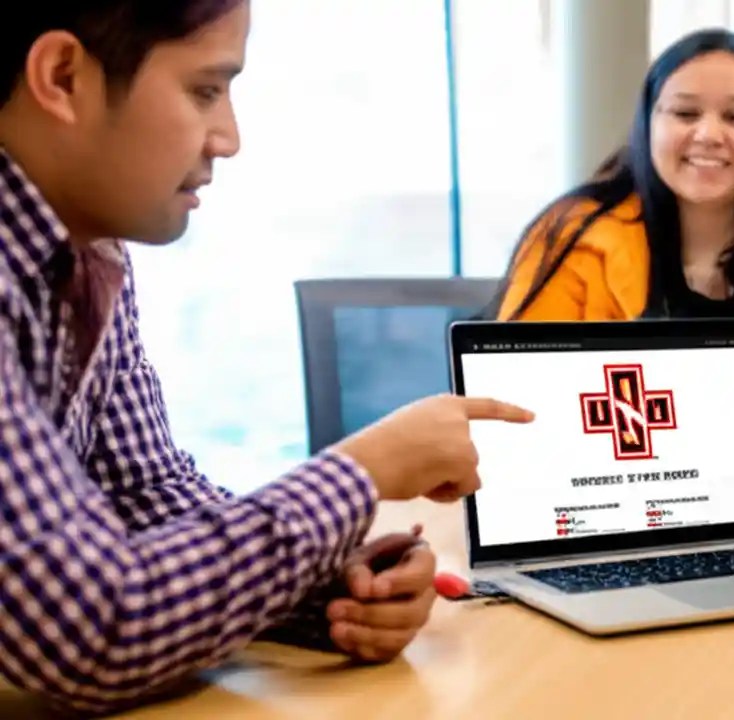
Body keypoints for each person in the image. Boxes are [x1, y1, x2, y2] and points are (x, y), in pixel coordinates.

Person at [0, 3, 532, 714]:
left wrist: (329, 586)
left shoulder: (89, 251)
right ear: (63, 77)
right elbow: (94, 625)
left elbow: (147, 497)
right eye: (204, 90)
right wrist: (362, 470)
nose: (229, 138)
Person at [487, 29, 734, 469]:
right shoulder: (574, 233)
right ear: (649, 123)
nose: (708, 134)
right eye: (685, 112)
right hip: (614, 488)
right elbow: (522, 397)